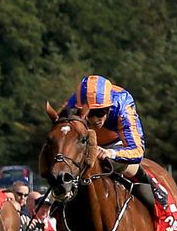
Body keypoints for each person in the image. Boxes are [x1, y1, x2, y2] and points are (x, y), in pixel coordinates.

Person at [62, 75, 167, 210]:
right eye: (90, 113)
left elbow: (137, 150)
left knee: (119, 164)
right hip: (85, 144)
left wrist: (111, 153)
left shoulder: (123, 104)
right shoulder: (72, 105)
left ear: (109, 107)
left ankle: (151, 187)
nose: (95, 120)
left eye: (100, 112)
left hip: (117, 145)